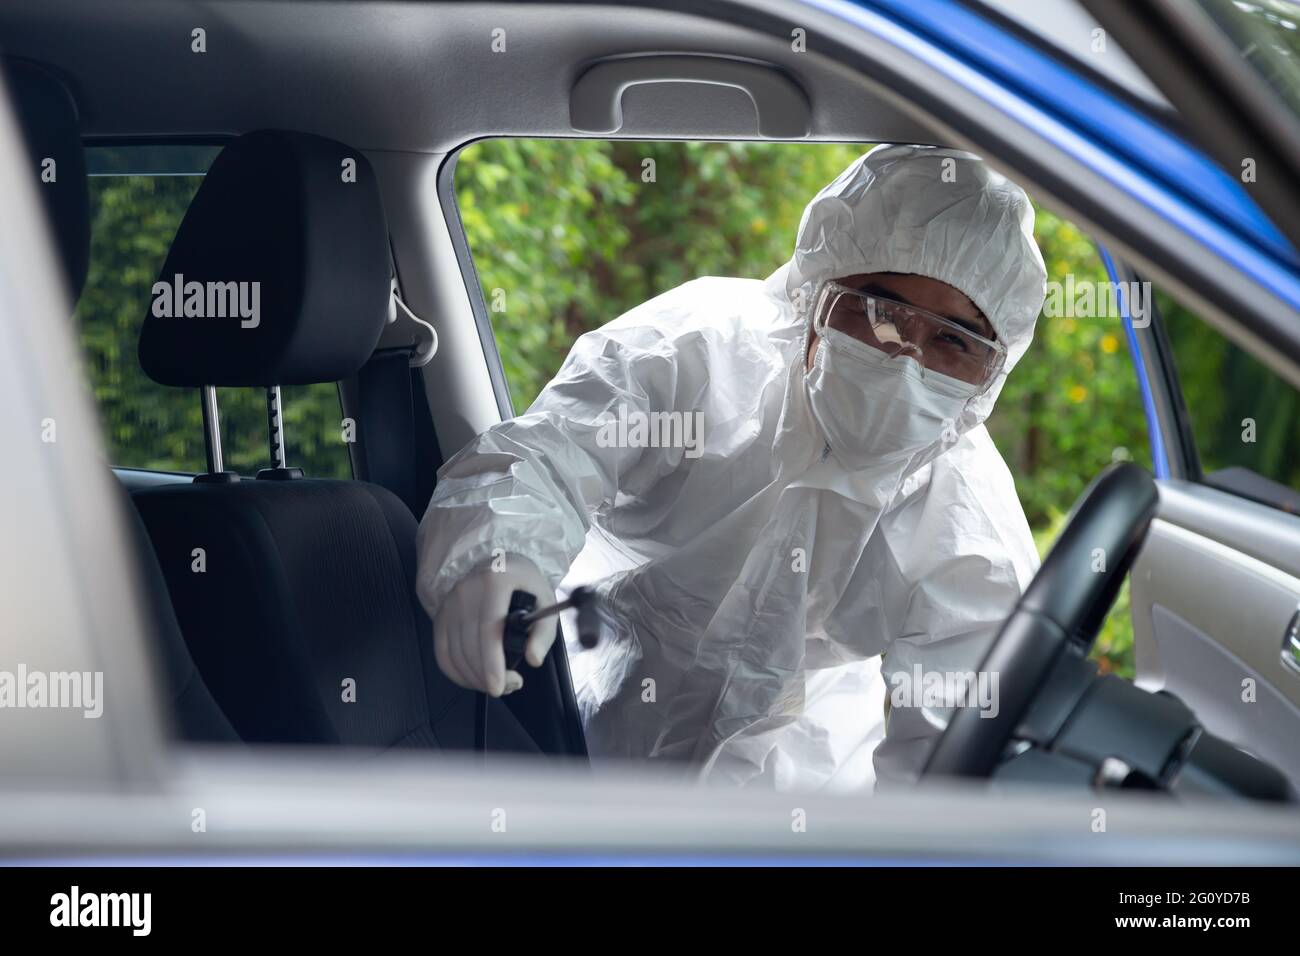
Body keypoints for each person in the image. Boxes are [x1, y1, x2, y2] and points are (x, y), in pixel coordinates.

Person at [416, 144, 1047, 791]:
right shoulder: (699, 352)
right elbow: (548, 454)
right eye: (878, 313)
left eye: (953, 341)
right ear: (814, 295)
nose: (903, 361)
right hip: (590, 701)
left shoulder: (967, 523)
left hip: (806, 767)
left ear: (992, 373)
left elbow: (957, 750)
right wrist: (499, 554)